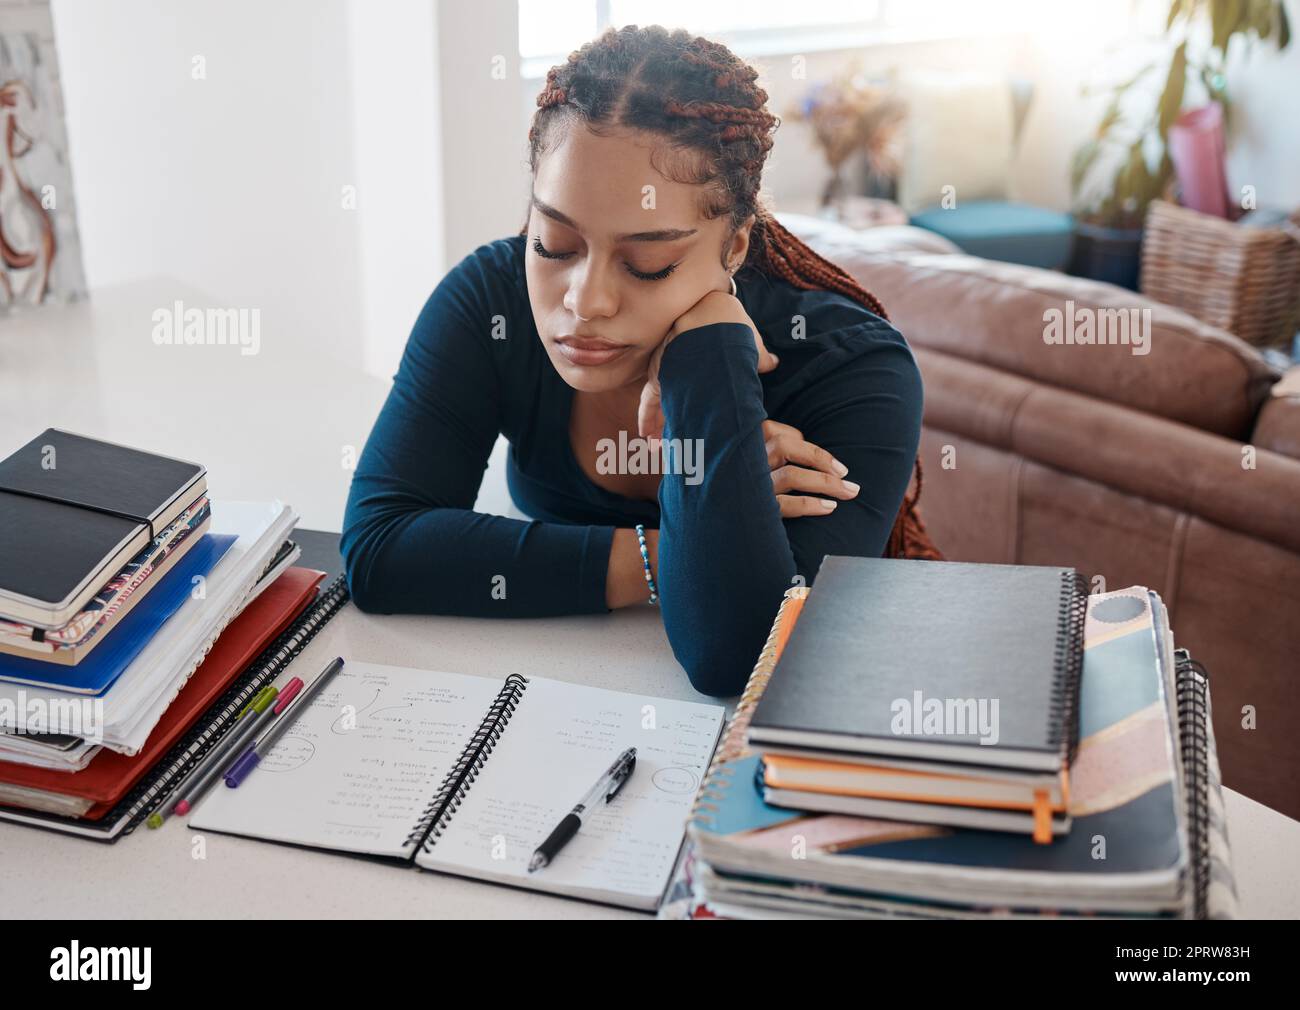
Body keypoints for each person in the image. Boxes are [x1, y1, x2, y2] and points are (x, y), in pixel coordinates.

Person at [341, 24, 942, 696]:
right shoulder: (494, 302)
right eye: (556, 243)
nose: (587, 300)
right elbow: (379, 551)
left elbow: (738, 652)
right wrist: (682, 543)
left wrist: (709, 352)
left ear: (735, 245)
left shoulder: (855, 371)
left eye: (648, 263)